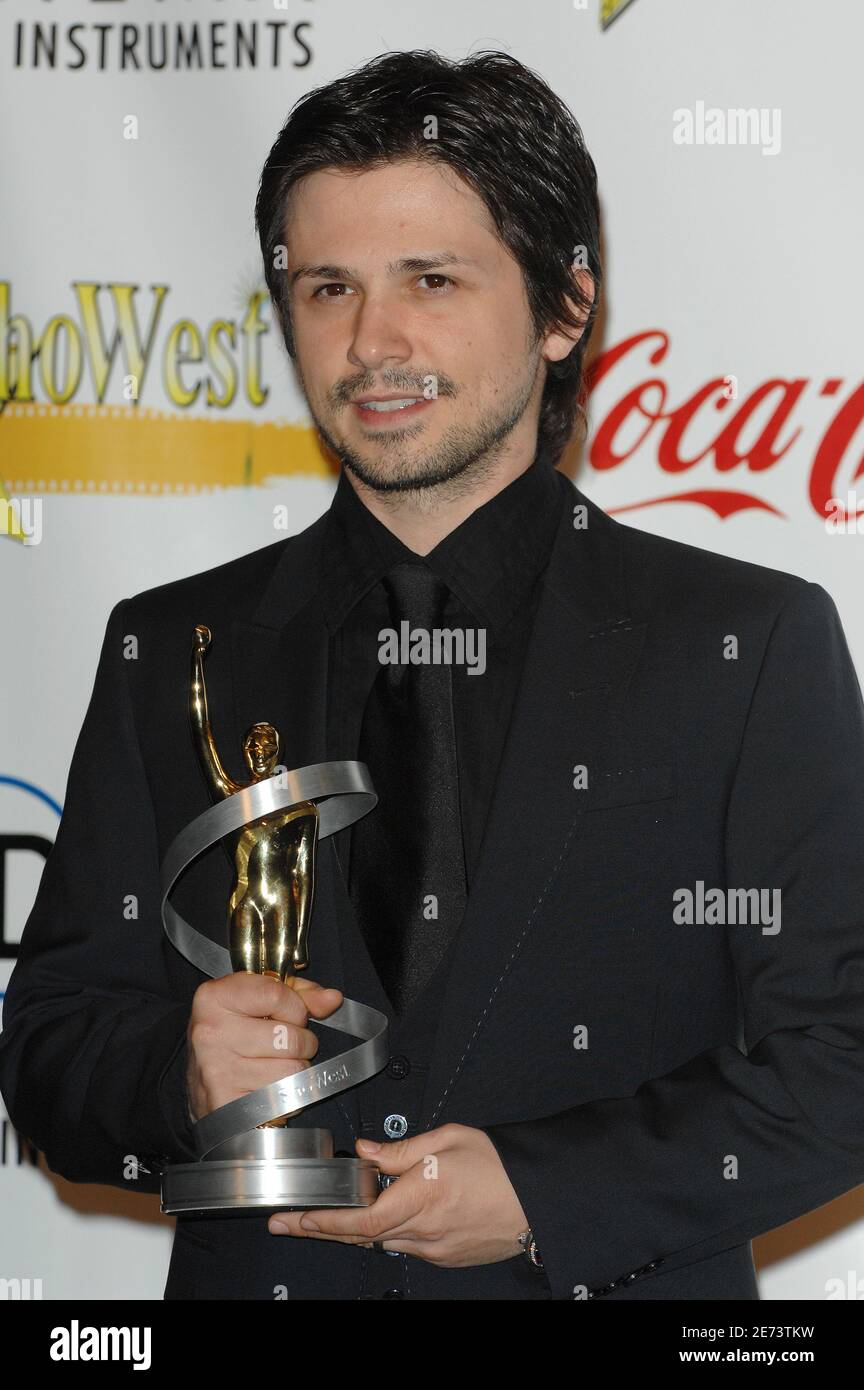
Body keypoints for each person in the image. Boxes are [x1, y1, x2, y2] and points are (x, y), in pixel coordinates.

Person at [2, 49, 863, 1302]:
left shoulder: (744, 644)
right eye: (328, 287)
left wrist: (545, 1195)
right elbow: (51, 1050)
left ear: (568, 307)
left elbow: (843, 1057)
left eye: (432, 280)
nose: (372, 342)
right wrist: (173, 1080)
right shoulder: (171, 644)